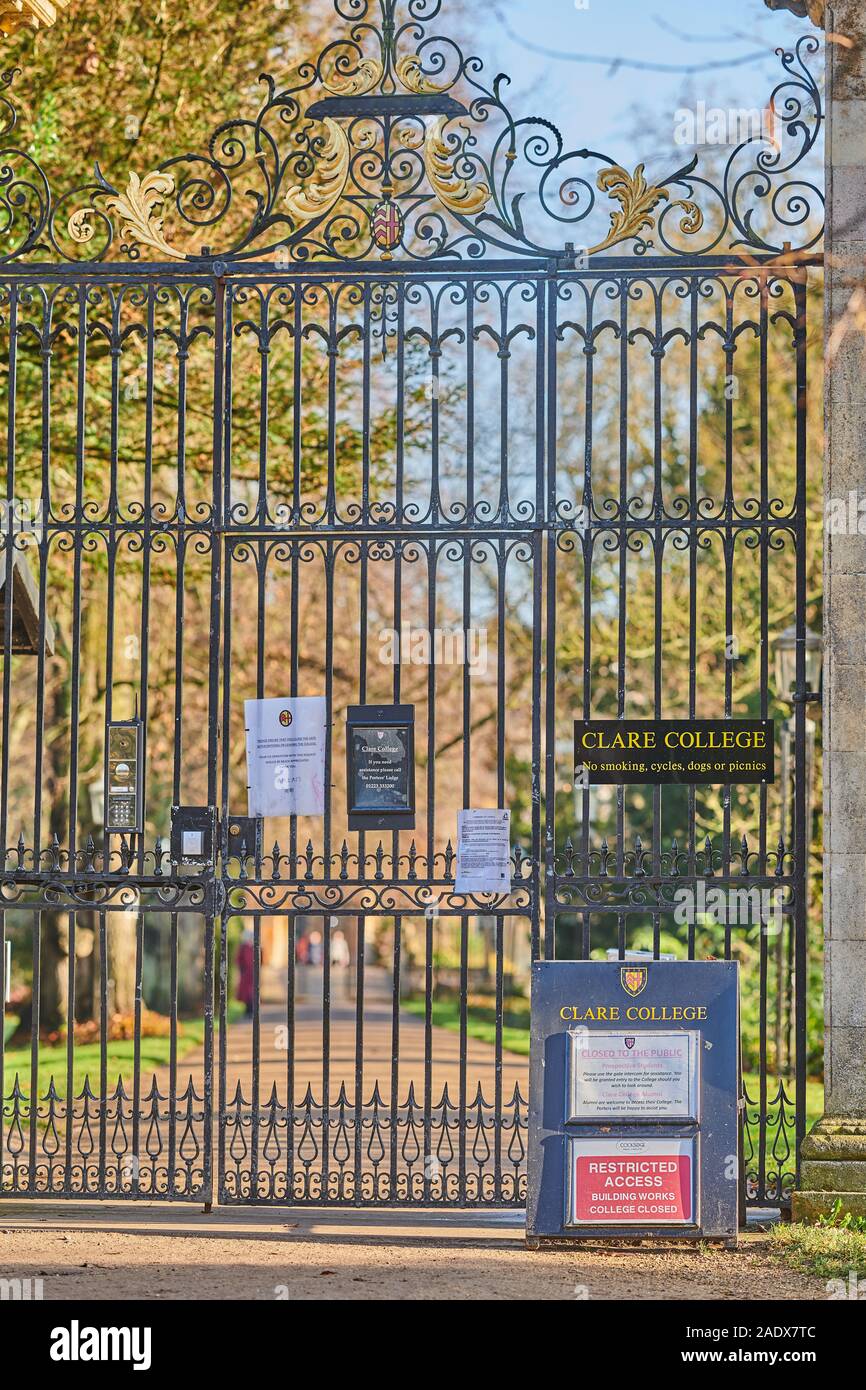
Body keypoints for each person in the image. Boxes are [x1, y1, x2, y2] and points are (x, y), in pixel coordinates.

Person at [235, 926, 255, 1018]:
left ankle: (251, 1011)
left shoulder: (254, 946)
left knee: (252, 992)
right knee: (247, 993)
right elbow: (239, 959)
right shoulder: (243, 947)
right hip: (246, 973)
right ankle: (248, 1011)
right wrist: (242, 969)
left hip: (253, 973)